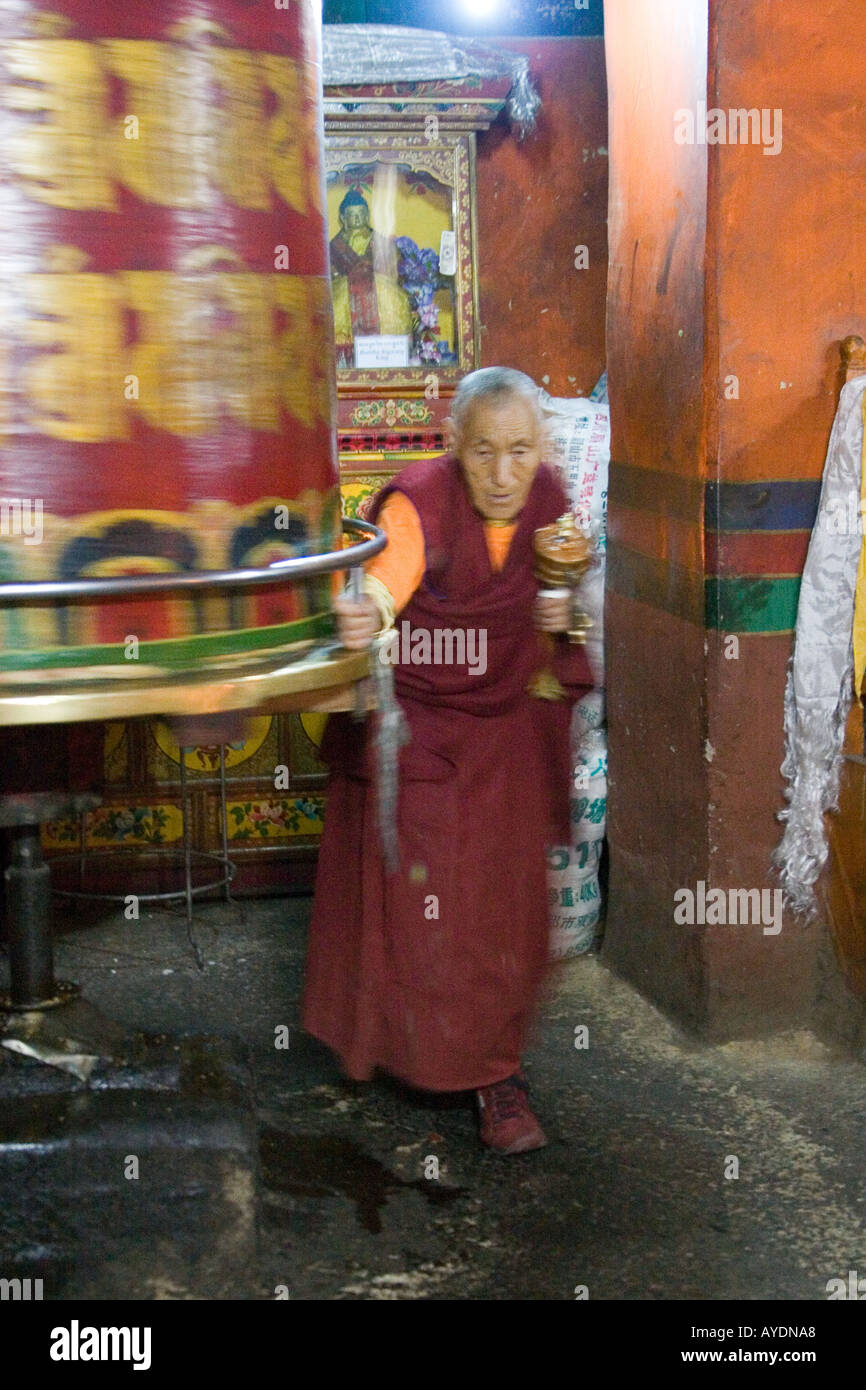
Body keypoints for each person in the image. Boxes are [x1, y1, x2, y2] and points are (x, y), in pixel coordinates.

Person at [301, 367, 594, 1154]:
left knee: (502, 914)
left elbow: (560, 598)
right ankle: (409, 1046)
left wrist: (561, 614)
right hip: (424, 729)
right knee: (425, 905)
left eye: (522, 452)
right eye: (485, 452)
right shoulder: (420, 499)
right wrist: (370, 612)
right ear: (454, 442)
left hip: (504, 737)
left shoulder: (548, 501)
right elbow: (388, 578)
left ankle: (498, 1074)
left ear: (541, 448)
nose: (504, 475)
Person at [328, 190, 412, 366]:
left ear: (367, 215)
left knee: (395, 299)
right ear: (343, 218)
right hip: (344, 294)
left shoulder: (379, 241)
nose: (357, 219)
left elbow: (394, 266)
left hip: (380, 292)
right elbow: (328, 269)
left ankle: (387, 355)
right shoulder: (335, 246)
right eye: (352, 215)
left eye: (361, 214)